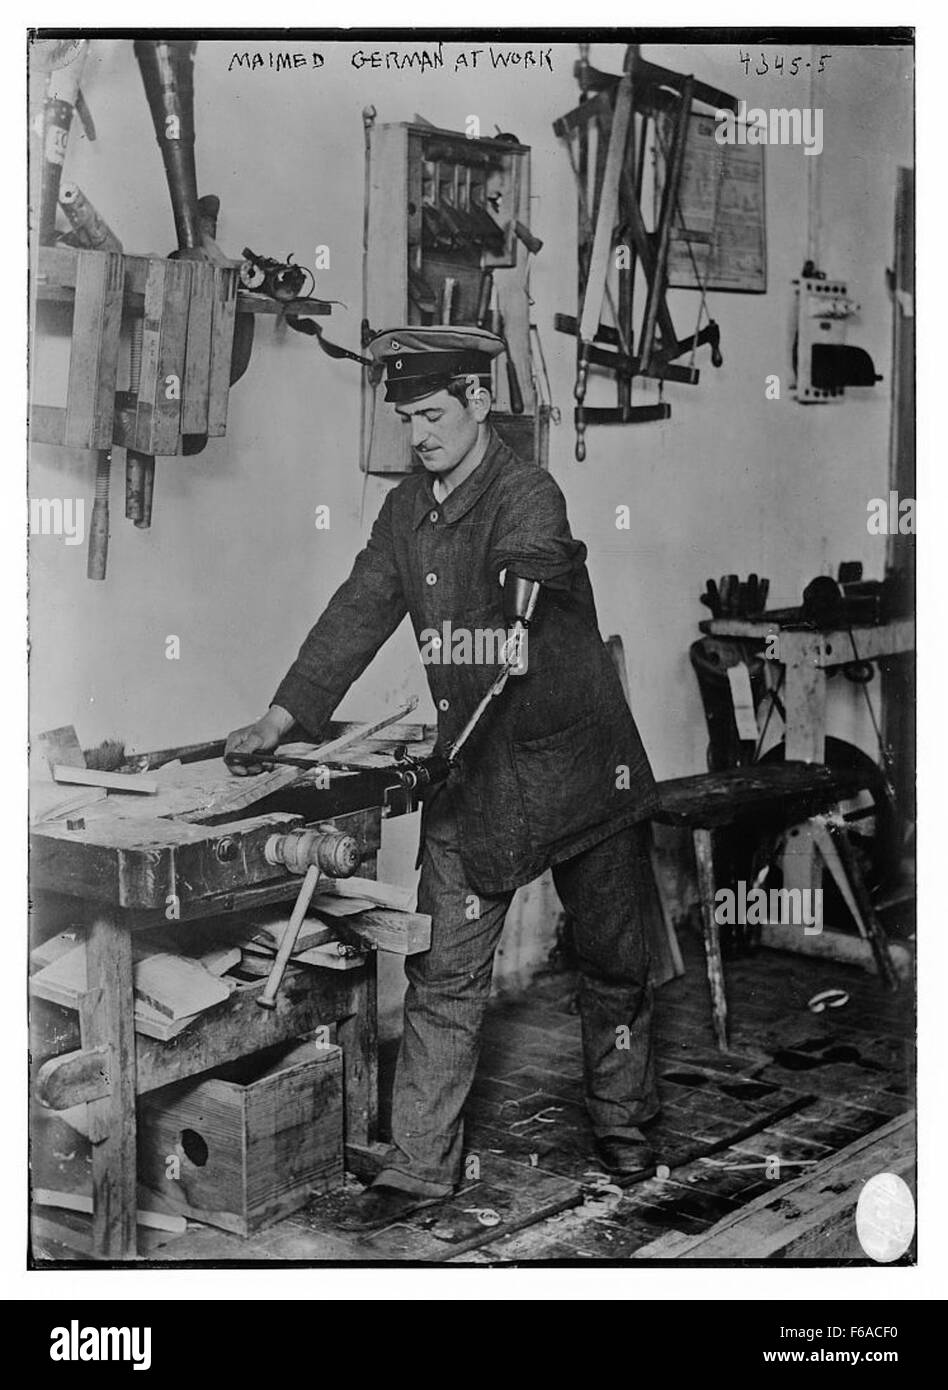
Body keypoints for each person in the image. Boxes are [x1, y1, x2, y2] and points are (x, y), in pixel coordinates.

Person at [225, 326, 662, 1230]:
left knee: (614, 966)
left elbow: (514, 634)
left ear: (476, 401)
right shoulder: (404, 512)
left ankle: (627, 1132)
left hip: (582, 768)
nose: (418, 435)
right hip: (478, 774)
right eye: (406, 418)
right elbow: (359, 609)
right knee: (443, 970)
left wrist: (440, 745)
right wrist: (283, 715)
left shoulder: (529, 495)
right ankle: (423, 1164)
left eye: (431, 414)